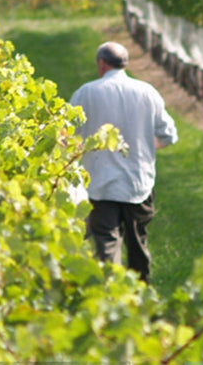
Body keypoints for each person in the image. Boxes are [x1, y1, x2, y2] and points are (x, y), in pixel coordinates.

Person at [70, 41, 178, 283]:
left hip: (100, 183)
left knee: (106, 242)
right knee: (138, 242)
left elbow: (68, 134)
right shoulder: (147, 92)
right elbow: (169, 134)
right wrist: (148, 147)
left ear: (101, 64)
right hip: (138, 182)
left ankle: (111, 294)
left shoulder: (86, 93)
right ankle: (141, 296)